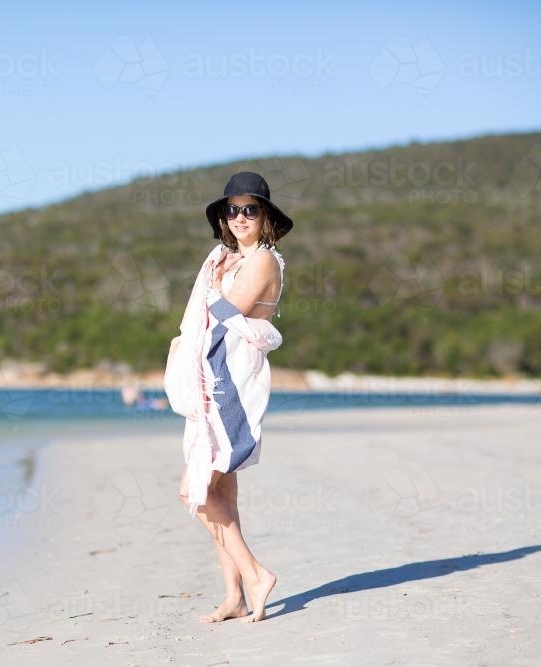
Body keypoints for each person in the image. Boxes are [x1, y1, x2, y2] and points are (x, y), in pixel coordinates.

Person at [174, 171, 294, 624]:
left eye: (250, 209)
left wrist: (211, 285)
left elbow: (225, 310)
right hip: (212, 375)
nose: (240, 217)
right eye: (232, 209)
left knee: (196, 490)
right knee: (222, 491)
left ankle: (256, 574)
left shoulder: (261, 260)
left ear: (266, 217)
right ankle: (235, 596)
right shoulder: (225, 260)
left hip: (233, 383)